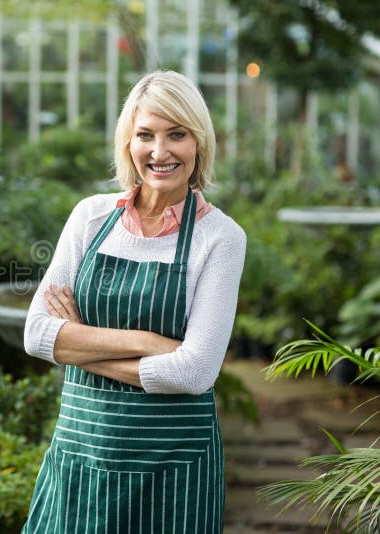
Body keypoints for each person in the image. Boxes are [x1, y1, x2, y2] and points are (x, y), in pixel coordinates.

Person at [21, 70, 246, 534]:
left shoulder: (220, 238)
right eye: (145, 135)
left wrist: (78, 349)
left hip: (173, 470)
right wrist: (149, 342)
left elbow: (195, 371)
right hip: (82, 454)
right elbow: (37, 333)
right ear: (128, 142)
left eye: (176, 135)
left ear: (199, 141)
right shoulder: (90, 216)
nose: (160, 152)